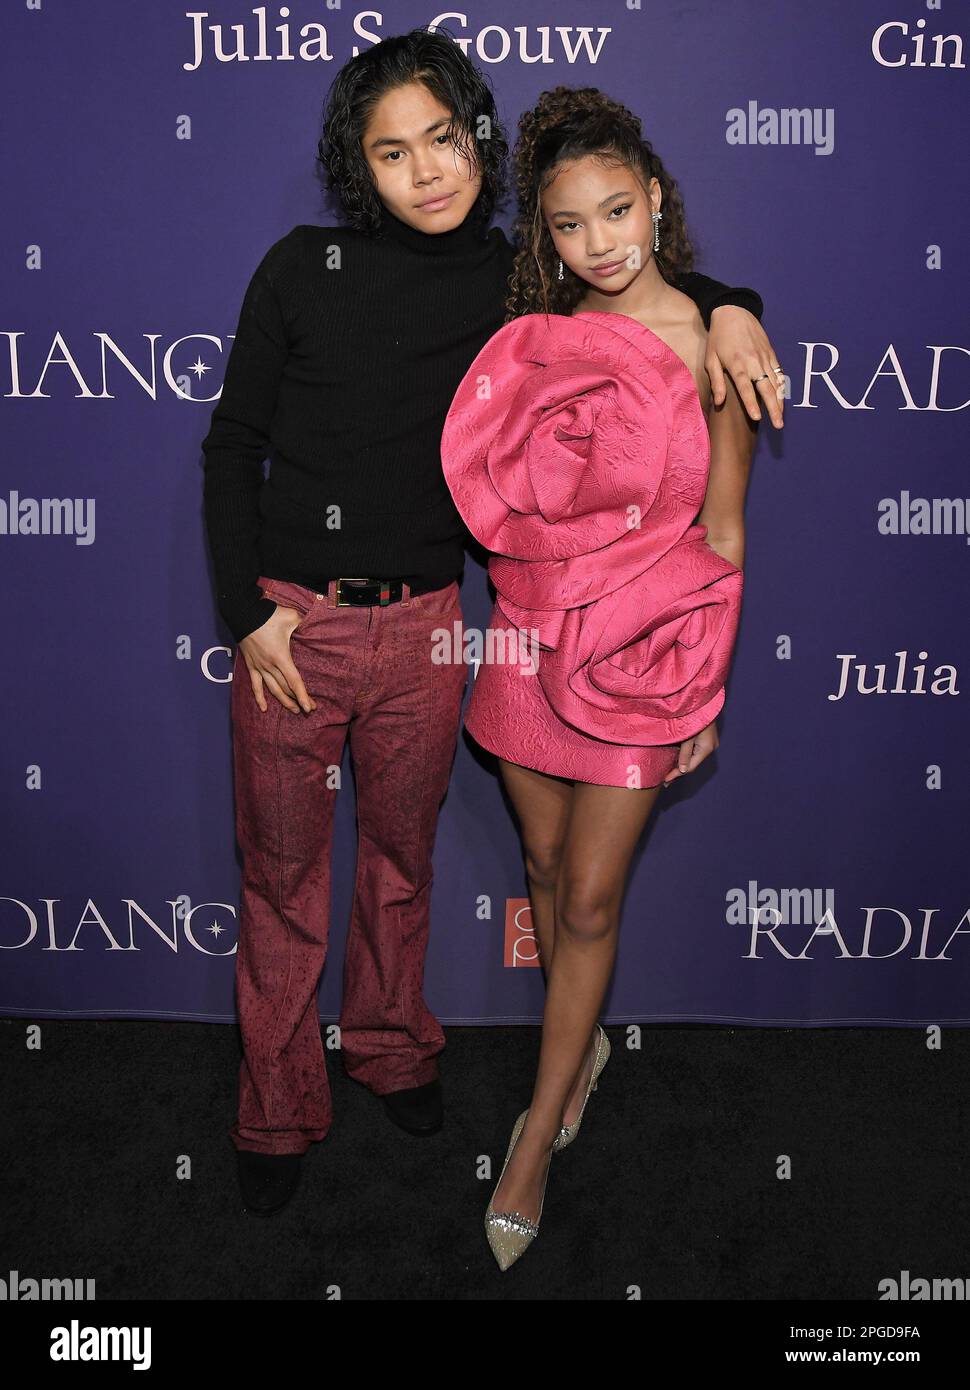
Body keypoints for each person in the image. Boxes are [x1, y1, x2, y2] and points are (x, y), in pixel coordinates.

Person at [200, 28, 784, 1218]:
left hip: (430, 626)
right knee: (280, 879)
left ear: (477, 139)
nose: (427, 170)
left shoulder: (512, 278)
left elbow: (640, 279)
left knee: (403, 866)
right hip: (293, 631)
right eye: (391, 152)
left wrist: (733, 307)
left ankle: (394, 1052)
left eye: (444, 139)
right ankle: (273, 1107)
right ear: (359, 170)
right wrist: (244, 611)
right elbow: (232, 444)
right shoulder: (299, 267)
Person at [441, 85, 776, 1269]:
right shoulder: (529, 332)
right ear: (545, 233)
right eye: (571, 224)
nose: (600, 242)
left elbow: (723, 535)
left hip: (642, 664)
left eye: (618, 211)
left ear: (657, 201)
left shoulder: (713, 345)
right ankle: (570, 1046)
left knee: (585, 899)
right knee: (538, 865)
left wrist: (705, 688)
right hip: (525, 638)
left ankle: (532, 1137)